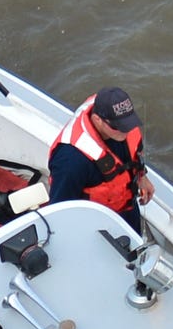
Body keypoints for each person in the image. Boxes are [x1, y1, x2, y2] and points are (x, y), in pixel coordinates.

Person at [45, 85, 150, 230]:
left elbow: (134, 155)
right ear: (98, 119)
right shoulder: (72, 160)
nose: (126, 131)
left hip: (126, 208)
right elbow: (61, 210)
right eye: (118, 126)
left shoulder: (118, 121)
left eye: (128, 123)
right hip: (94, 225)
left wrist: (142, 177)